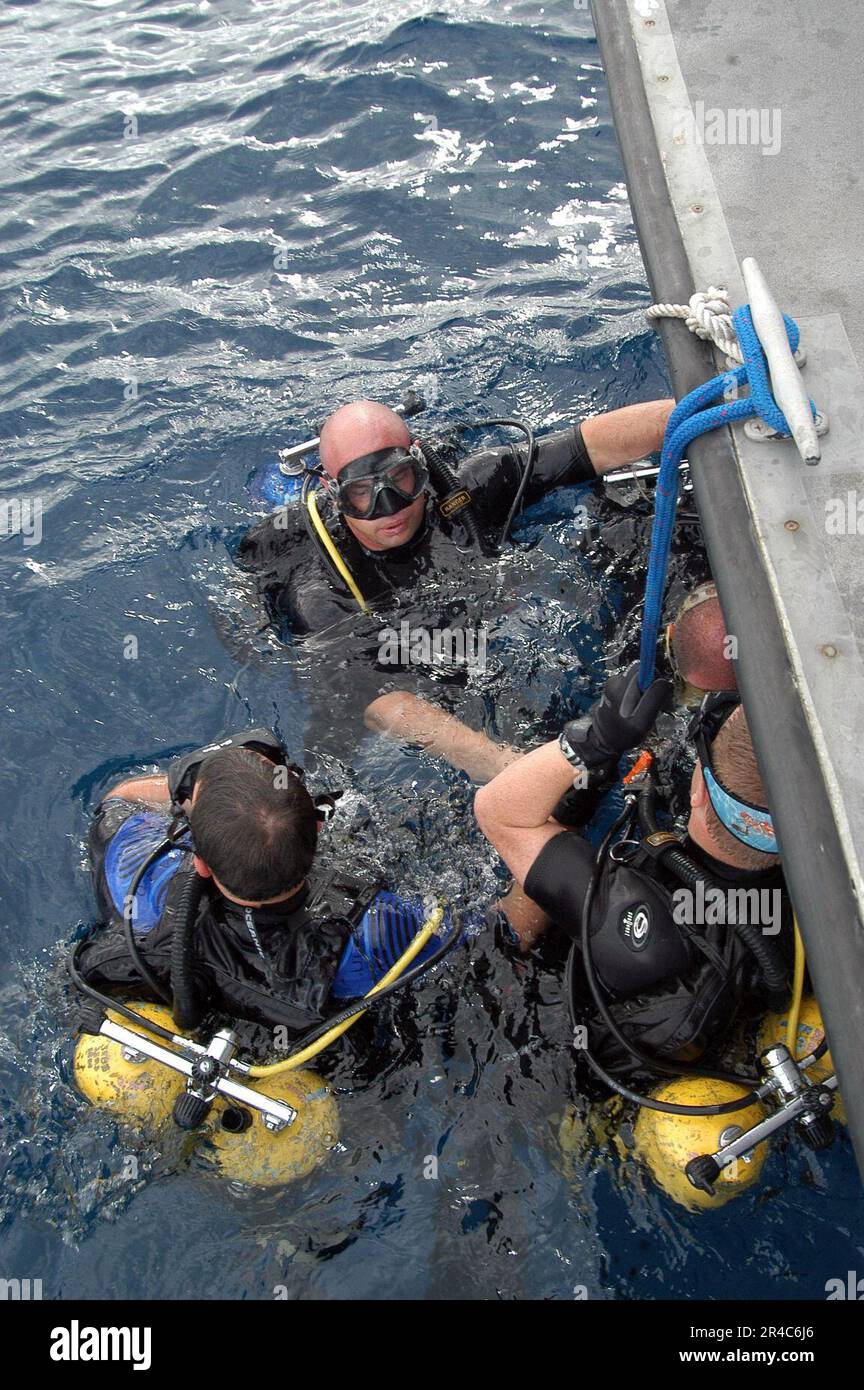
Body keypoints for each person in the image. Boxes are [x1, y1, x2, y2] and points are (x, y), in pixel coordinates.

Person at [472, 666, 791, 1071]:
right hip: (705, 1026)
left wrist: (593, 740)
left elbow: (498, 812)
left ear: (697, 792)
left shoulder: (636, 908)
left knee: (393, 709)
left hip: (550, 1020)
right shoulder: (814, 906)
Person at [76, 729, 451, 1036]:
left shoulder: (136, 871)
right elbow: (476, 942)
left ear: (200, 862)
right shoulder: (379, 927)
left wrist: (189, 786)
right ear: (319, 828)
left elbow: (120, 800)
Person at [235, 397, 674, 640]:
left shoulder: (471, 486)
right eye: (362, 494)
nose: (389, 509)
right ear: (334, 493)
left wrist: (687, 411)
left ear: (420, 464)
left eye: (399, 481)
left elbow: (585, 447)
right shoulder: (319, 585)